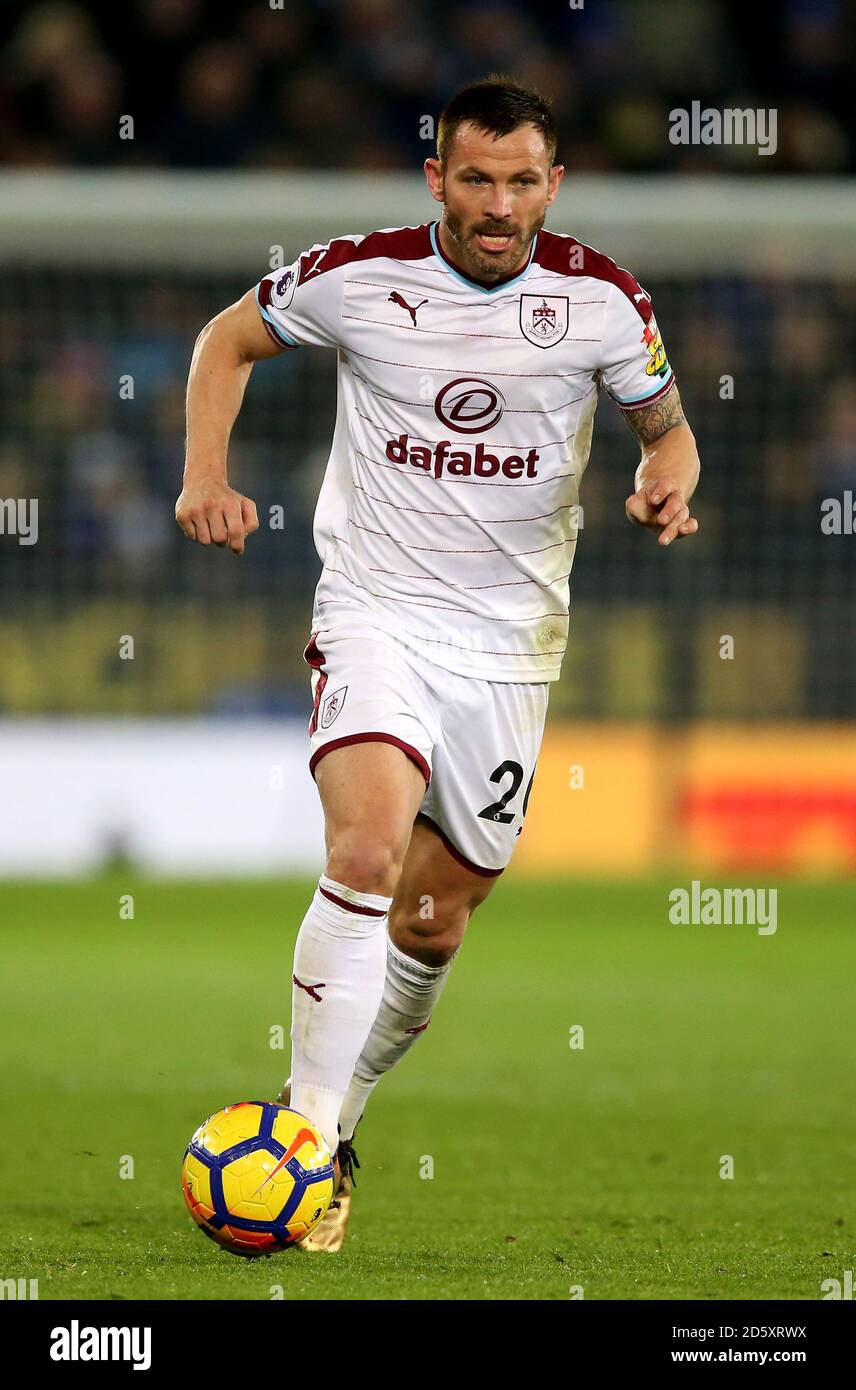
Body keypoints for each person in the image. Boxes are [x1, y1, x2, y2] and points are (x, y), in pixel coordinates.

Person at [175, 75, 700, 1251]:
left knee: (432, 920)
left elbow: (667, 429)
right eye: (476, 178)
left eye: (522, 182)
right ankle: (302, 1146)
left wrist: (671, 476)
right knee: (364, 849)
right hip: (377, 610)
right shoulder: (359, 277)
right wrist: (205, 473)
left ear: (553, 186)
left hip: (512, 649)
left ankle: (336, 1122)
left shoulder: (606, 303)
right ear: (437, 180)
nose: (499, 204)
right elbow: (226, 338)